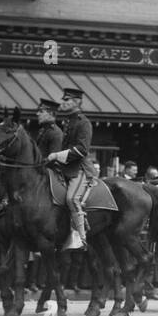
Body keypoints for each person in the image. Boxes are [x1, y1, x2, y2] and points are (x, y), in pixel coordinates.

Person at [45, 87, 95, 250]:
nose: (63, 103)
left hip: (80, 170)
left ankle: (82, 239)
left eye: (66, 100)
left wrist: (56, 156)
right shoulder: (69, 122)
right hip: (66, 169)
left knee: (71, 199)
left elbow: (82, 149)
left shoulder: (84, 122)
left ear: (76, 102)